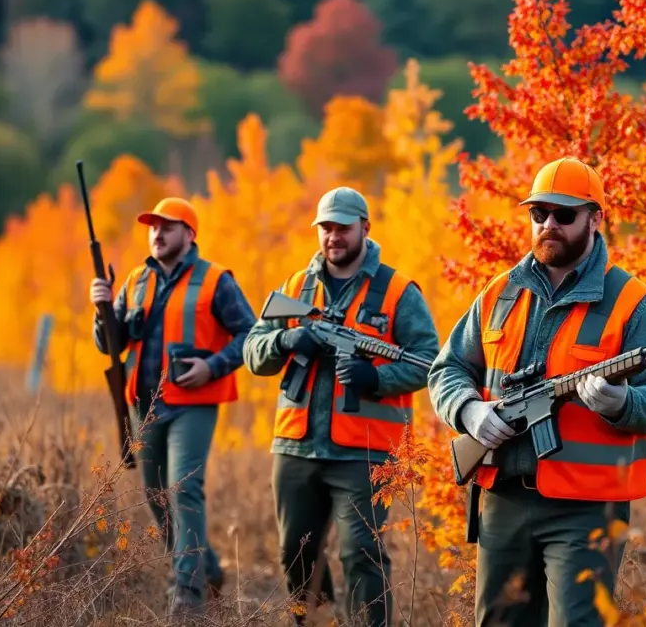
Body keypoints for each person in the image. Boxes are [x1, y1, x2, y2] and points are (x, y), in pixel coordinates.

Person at [427, 157, 646, 627]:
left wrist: (623, 404)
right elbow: (447, 369)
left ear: (596, 218)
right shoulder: (499, 293)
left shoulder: (634, 303)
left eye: (564, 215)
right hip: (504, 498)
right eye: (539, 213)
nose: (549, 224)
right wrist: (468, 412)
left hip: (587, 512)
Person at [242, 187, 440, 627]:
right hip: (296, 446)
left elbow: (429, 362)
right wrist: (287, 339)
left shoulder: (398, 291)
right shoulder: (295, 286)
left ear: (365, 229)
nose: (333, 236)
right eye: (326, 228)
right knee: (295, 552)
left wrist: (377, 377)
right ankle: (321, 622)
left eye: (343, 227)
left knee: (362, 555)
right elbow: (253, 352)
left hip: (365, 451)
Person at [88, 196, 257, 616]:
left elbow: (251, 335)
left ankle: (186, 594)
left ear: (190, 233)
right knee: (154, 496)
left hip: (192, 404)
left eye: (168, 225)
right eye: (153, 226)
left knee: (183, 489)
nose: (158, 233)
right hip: (143, 407)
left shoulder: (216, 280)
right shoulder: (135, 281)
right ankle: (206, 568)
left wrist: (212, 366)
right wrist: (101, 310)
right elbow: (111, 345)